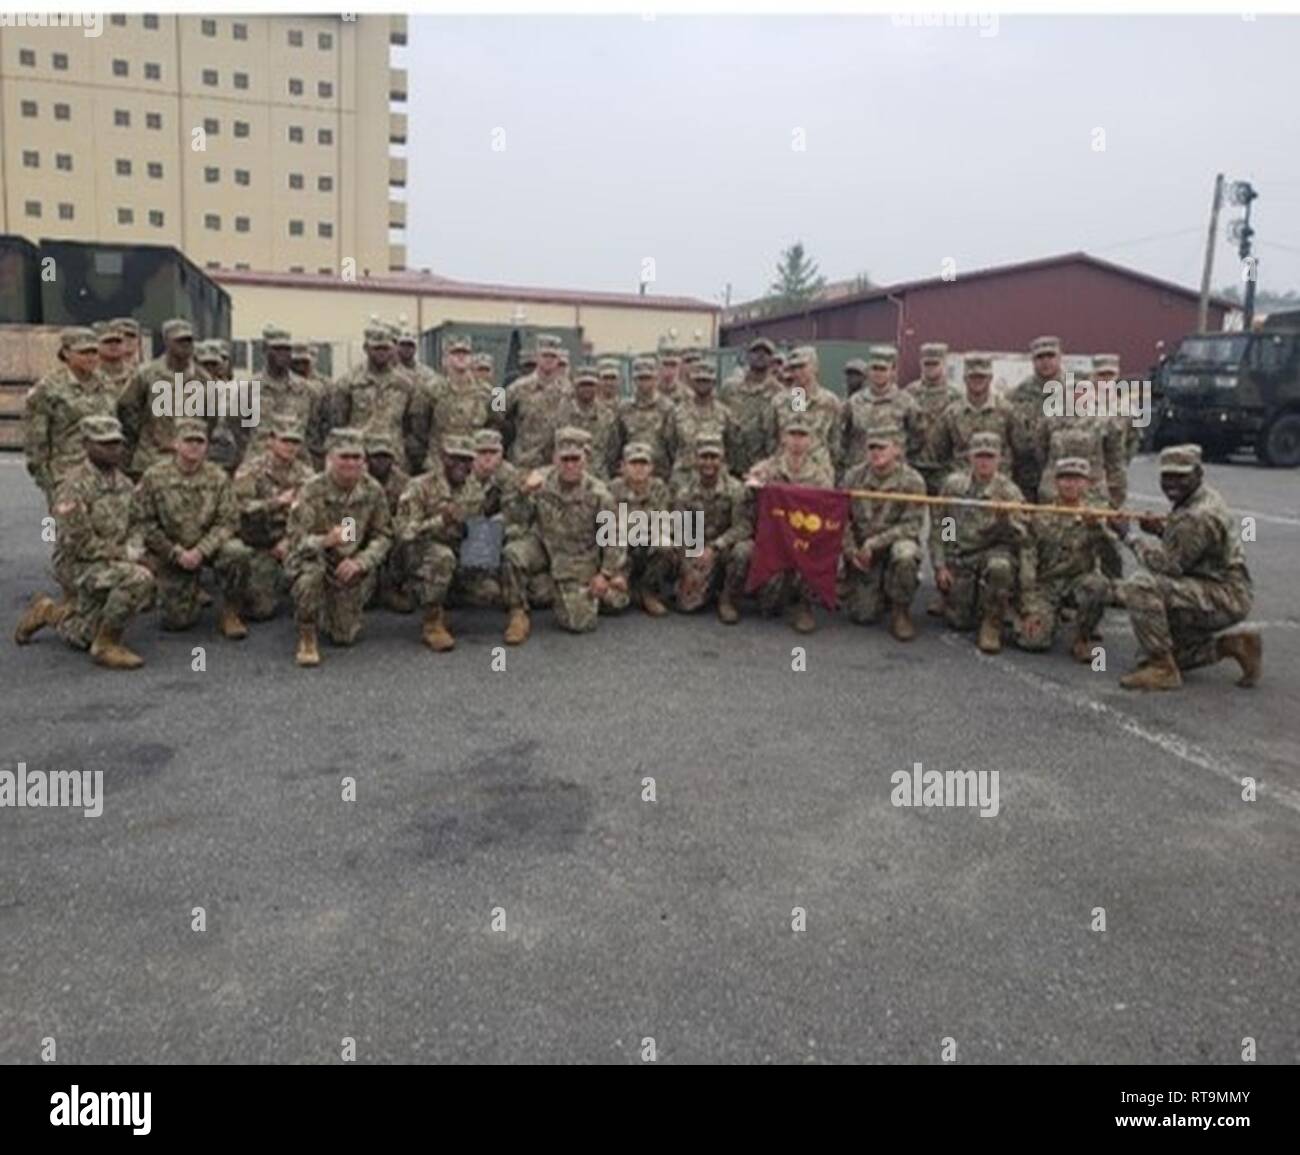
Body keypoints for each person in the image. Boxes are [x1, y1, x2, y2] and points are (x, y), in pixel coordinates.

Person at [1117, 444, 1260, 690]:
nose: (1172, 483)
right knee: (1150, 655)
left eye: (1181, 476)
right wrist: (1161, 531)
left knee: (1141, 586)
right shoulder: (1200, 497)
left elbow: (1170, 565)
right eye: (1167, 476)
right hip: (1211, 584)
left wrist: (1128, 536)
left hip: (1224, 595)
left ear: (1198, 474)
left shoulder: (1198, 515)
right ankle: (1233, 645)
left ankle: (1162, 669)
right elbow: (1193, 550)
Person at [16, 416, 154, 668]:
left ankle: (47, 613)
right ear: (86, 445)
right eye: (104, 444)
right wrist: (125, 554)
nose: (113, 450)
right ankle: (107, 645)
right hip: (77, 564)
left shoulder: (124, 484)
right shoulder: (72, 486)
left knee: (82, 635)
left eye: (116, 443)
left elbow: (138, 523)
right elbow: (79, 543)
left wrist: (135, 547)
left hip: (110, 562)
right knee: (138, 578)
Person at [500, 426, 628, 642]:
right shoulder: (540, 481)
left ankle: (610, 591)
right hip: (543, 545)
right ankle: (518, 613)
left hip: (577, 557)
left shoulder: (598, 494)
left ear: (585, 460)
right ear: (555, 459)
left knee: (579, 623)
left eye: (575, 459)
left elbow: (614, 538)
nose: (569, 465)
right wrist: (523, 493)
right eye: (564, 459)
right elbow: (515, 517)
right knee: (514, 553)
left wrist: (605, 574)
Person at [131, 417, 251, 638]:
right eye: (188, 440)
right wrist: (175, 552)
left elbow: (228, 521)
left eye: (200, 441)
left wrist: (201, 551)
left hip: (208, 548)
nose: (194, 446)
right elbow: (143, 522)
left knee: (238, 553)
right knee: (177, 622)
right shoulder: (154, 477)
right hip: (172, 551)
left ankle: (231, 612)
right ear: (176, 443)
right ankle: (183, 589)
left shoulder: (218, 477)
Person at [284, 428, 393, 666]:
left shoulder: (373, 490)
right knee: (311, 575)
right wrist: (324, 541)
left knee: (344, 636)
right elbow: (294, 541)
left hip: (349, 565)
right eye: (344, 457)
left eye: (357, 457)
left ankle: (327, 607)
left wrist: (361, 562)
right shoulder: (311, 490)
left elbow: (383, 535)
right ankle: (306, 633)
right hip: (315, 559)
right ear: (330, 459)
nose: (351, 463)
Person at [928, 430, 1031, 654]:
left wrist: (1005, 519)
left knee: (999, 567)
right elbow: (943, 525)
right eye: (979, 456)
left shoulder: (1009, 491)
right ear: (970, 458)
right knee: (959, 621)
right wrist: (941, 565)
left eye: (990, 457)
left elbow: (1023, 538)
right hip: (962, 556)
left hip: (991, 554)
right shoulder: (953, 486)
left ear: (999, 460)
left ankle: (992, 624)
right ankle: (959, 598)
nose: (984, 462)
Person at [1014, 457, 1118, 661]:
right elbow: (1028, 561)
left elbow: (1113, 562)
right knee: (1033, 642)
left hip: (1076, 582)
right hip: (1047, 585)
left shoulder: (1096, 517)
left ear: (1087, 483)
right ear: (1056, 482)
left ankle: (1083, 637)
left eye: (1077, 479)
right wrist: (1028, 605)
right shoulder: (1041, 516)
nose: (1071, 484)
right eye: (1065, 479)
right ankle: (1037, 618)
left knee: (1098, 586)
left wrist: (1098, 529)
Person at [745, 415, 835, 633]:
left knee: (813, 554)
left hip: (804, 538)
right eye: (792, 435)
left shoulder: (821, 474)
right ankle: (781, 589)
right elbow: (749, 489)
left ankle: (805, 606)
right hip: (775, 539)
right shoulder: (767, 468)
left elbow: (825, 508)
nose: (797, 441)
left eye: (802, 435)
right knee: (769, 607)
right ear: (783, 438)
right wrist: (756, 484)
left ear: (811, 441)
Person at [396, 435, 487, 651]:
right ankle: (432, 621)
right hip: (419, 551)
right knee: (442, 558)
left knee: (487, 592)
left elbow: (477, 526)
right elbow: (404, 533)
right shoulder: (419, 486)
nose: (461, 465)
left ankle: (445, 593)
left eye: (467, 460)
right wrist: (440, 521)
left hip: (457, 549)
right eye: (455, 459)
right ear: (443, 459)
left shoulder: (474, 489)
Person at [841, 427, 926, 641]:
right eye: (872, 447)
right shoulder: (853, 477)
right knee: (863, 615)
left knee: (906, 554)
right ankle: (875, 587)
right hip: (864, 552)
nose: (876, 452)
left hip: (893, 545)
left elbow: (912, 525)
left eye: (882, 447)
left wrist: (875, 543)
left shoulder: (912, 481)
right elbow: (841, 519)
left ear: (896, 450)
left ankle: (901, 611)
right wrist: (851, 551)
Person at [232, 419, 314, 621]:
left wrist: (290, 540)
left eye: (295, 442)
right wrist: (275, 502)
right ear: (271, 441)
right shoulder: (251, 470)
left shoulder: (307, 474)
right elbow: (237, 508)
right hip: (261, 542)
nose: (290, 447)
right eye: (285, 441)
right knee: (261, 610)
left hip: (293, 541)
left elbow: (315, 516)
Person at [668, 433, 752, 622]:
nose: (708, 463)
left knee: (744, 550)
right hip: (697, 547)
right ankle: (708, 584)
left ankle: (727, 599)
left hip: (724, 548)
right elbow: (681, 530)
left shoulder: (736, 489)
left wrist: (715, 548)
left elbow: (743, 527)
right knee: (687, 605)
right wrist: (688, 566)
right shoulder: (685, 491)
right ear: (695, 460)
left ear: (722, 460)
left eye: (713, 458)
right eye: (704, 457)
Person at [329, 323, 426, 472]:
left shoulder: (405, 384)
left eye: (385, 348)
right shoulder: (349, 382)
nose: (381, 353)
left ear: (393, 349)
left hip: (394, 459)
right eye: (377, 348)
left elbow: (412, 426)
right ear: (366, 349)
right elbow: (339, 423)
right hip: (360, 458)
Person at [118, 317, 198, 479]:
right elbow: (126, 407)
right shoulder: (146, 374)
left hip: (188, 461)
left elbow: (210, 417)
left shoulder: (202, 378)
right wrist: (148, 434)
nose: (186, 345)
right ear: (167, 342)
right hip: (151, 459)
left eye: (189, 340)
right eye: (179, 340)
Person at [926, 353, 1017, 482]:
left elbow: (1021, 450)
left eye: (982, 377)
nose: (977, 381)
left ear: (990, 378)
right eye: (973, 377)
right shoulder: (952, 413)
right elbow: (937, 451)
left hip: (998, 485)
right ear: (965, 378)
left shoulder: (1006, 411)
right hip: (961, 484)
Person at [608, 442, 673, 616]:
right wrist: (615, 572)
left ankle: (648, 590)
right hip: (620, 549)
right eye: (633, 463)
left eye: (643, 464)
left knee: (665, 545)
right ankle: (626, 586)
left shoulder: (659, 488)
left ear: (651, 467)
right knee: (612, 605)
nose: (639, 468)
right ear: (623, 467)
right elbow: (607, 531)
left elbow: (663, 523)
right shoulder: (612, 489)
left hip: (646, 545)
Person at [842, 347, 920, 473]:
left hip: (894, 474)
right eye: (874, 369)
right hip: (860, 473)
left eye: (883, 369)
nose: (878, 373)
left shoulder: (906, 402)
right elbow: (843, 437)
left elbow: (917, 438)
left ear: (893, 371)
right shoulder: (854, 402)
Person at [1008, 334, 1065, 500]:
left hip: (1065, 481)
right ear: (1032, 360)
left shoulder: (1076, 392)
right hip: (1026, 479)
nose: (1045, 361)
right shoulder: (1017, 395)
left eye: (1050, 356)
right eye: (1040, 357)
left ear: (1060, 357)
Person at [771, 346, 844, 476]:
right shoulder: (780, 401)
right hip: (785, 473)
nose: (798, 372)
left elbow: (835, 443)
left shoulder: (829, 402)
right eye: (794, 368)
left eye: (802, 367)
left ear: (815, 367)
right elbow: (771, 440)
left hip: (819, 474)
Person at [903, 342, 961, 495]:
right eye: (927, 364)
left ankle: (947, 522)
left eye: (935, 364)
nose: (930, 368)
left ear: (944, 364)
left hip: (944, 467)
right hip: (914, 465)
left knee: (945, 514)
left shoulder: (956, 395)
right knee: (914, 509)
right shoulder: (909, 393)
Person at [664, 361, 736, 483]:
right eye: (699, 380)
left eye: (706, 381)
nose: (702, 384)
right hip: (684, 478)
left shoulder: (725, 414)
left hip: (715, 479)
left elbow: (731, 447)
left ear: (714, 383)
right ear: (691, 382)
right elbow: (670, 445)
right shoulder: (677, 412)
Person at [504, 333, 567, 467]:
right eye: (545, 356)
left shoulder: (568, 391)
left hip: (555, 467)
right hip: (523, 463)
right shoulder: (519, 386)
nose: (549, 360)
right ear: (537, 357)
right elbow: (495, 411)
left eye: (553, 356)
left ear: (558, 360)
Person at [553, 364, 620, 479]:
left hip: (598, 478)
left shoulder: (607, 416)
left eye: (591, 385)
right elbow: (551, 446)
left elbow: (613, 451)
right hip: (567, 477)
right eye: (583, 385)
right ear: (575, 386)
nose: (587, 389)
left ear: (597, 386)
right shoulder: (561, 414)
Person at [616, 357, 674, 478]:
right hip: (631, 475)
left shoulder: (667, 408)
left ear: (656, 379)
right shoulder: (624, 408)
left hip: (660, 474)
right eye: (641, 378)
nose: (644, 383)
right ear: (634, 380)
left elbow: (673, 445)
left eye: (648, 378)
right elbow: (616, 445)